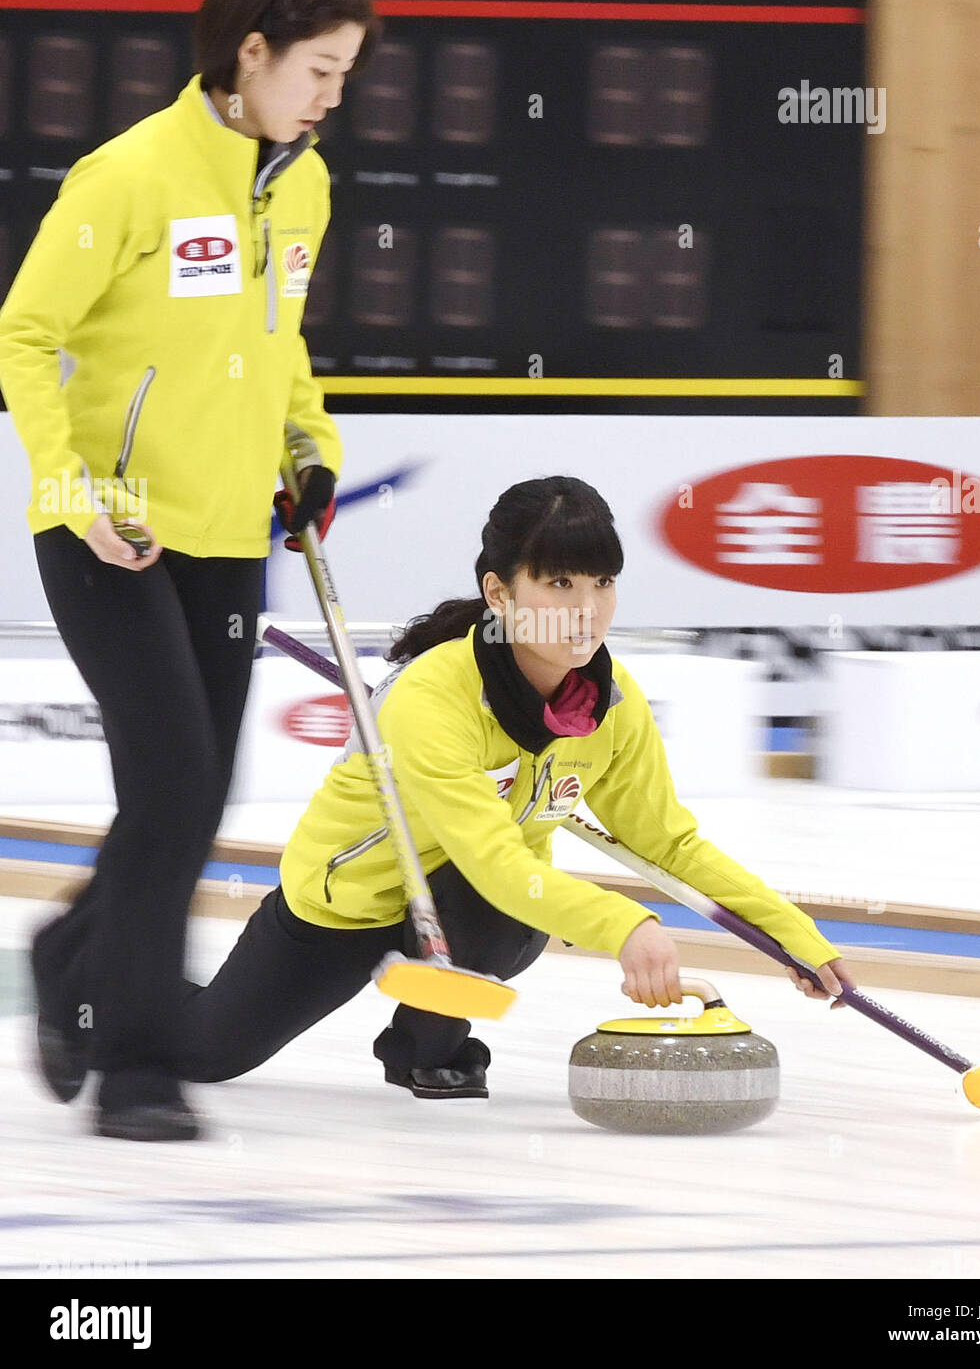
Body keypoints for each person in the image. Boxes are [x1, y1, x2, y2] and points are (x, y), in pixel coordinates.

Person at [89, 474, 848, 1116]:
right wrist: (626, 926)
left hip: (468, 909)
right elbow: (486, 854)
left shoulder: (612, 707)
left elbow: (670, 846)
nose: (584, 608)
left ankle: (427, 1048)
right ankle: (100, 974)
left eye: (602, 582)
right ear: (499, 592)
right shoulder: (432, 697)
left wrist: (795, 938)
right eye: (557, 583)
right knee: (201, 1055)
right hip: (343, 904)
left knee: (502, 916)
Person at [0, 0, 381, 1141]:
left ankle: (69, 948)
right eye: (317, 71)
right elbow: (25, 332)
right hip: (111, 533)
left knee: (195, 796)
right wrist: (75, 494)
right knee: (167, 785)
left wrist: (309, 447)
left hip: (225, 536)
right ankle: (134, 1058)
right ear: (250, 55)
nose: (330, 96)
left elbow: (278, 341)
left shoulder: (300, 184)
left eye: (344, 76)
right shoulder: (126, 176)